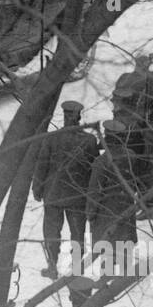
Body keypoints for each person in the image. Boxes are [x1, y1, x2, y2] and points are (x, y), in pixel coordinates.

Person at [33, 100, 98, 278]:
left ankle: (52, 267)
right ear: (79, 117)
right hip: (78, 196)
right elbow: (94, 169)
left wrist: (37, 188)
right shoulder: (90, 140)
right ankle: (77, 269)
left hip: (53, 195)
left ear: (64, 117)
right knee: (77, 233)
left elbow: (41, 165)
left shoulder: (51, 138)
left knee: (51, 233)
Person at [85, 123, 138, 271]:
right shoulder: (132, 156)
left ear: (107, 139)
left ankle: (106, 283)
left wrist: (90, 213)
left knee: (108, 248)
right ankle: (125, 278)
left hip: (105, 212)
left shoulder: (101, 162)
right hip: (127, 209)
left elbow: (94, 191)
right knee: (125, 246)